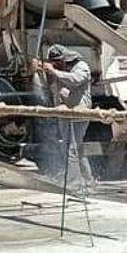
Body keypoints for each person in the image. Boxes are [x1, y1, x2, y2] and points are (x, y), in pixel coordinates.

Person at [27, 44, 94, 179]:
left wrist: (54, 72)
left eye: (57, 62)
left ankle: (74, 182)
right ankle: (87, 180)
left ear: (64, 59)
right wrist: (40, 71)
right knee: (76, 149)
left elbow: (76, 80)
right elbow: (47, 86)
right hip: (64, 112)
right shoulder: (59, 71)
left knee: (71, 149)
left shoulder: (81, 66)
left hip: (79, 112)